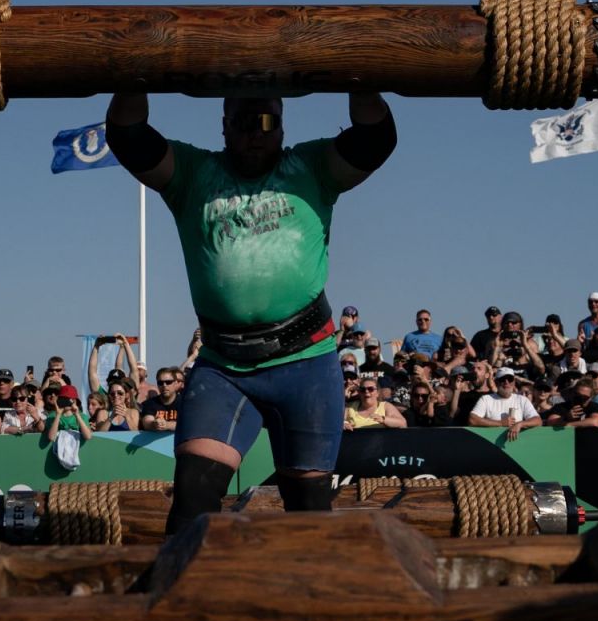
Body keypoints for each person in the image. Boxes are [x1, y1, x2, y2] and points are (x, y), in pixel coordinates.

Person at [106, 88, 395, 534]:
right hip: (224, 367)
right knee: (193, 496)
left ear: (282, 126)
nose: (255, 135)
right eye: (243, 122)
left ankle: (308, 603)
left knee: (309, 509)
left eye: (267, 123)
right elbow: (127, 136)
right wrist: (135, 74)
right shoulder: (194, 174)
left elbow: (376, 138)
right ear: (224, 126)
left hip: (306, 363)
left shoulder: (311, 166)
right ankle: (182, 601)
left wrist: (356, 76)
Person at [468, 367, 542, 441]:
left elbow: (538, 421)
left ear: (514, 382)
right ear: (496, 382)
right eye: (502, 379)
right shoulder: (486, 399)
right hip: (491, 443)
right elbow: (472, 419)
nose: (506, 382)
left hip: (516, 445)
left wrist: (520, 424)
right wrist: (501, 423)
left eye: (510, 379)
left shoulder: (522, 400)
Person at [140, 367, 182, 431]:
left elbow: (188, 423)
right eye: (160, 383)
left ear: (175, 383)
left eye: (168, 382)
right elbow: (147, 422)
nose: (164, 385)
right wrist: (154, 424)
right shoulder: (150, 403)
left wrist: (167, 425)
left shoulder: (185, 403)